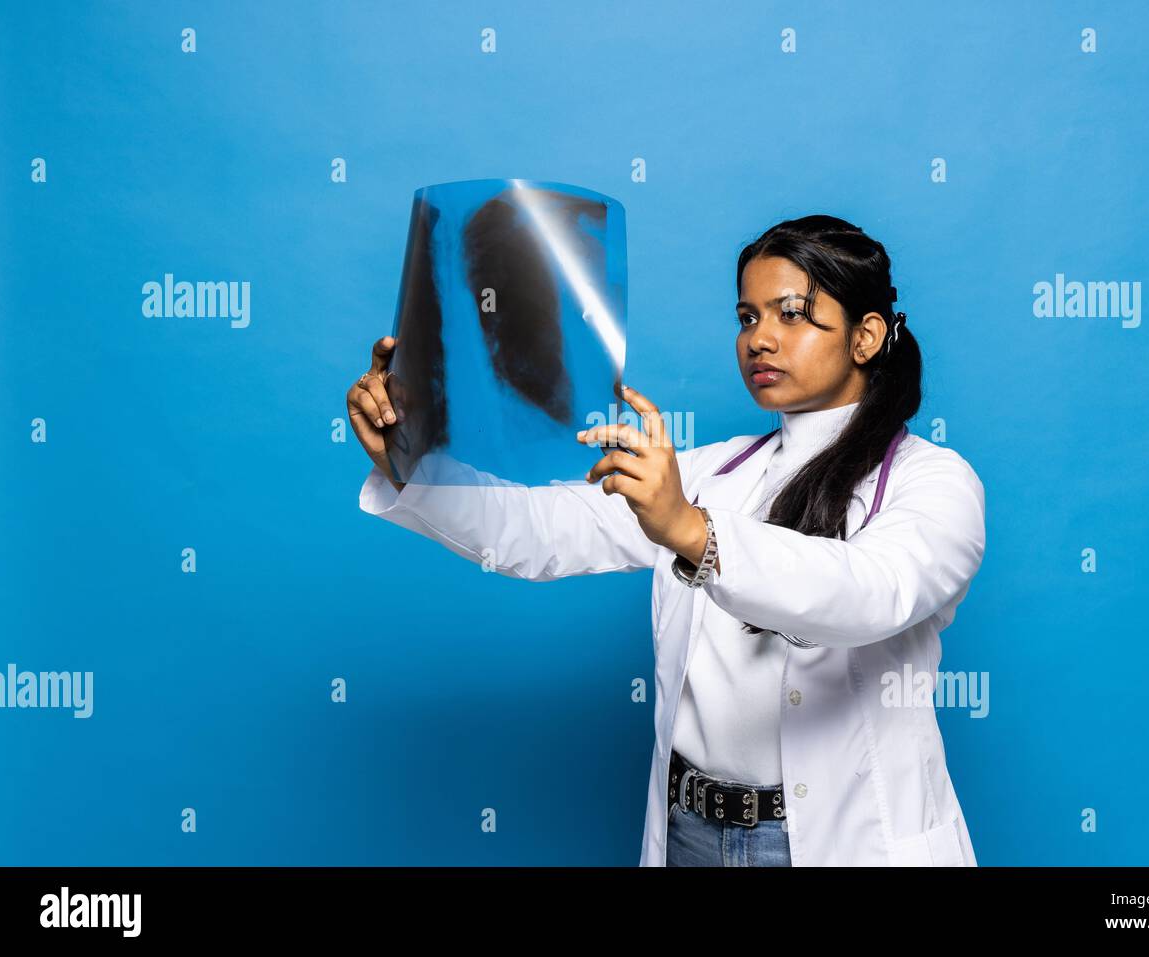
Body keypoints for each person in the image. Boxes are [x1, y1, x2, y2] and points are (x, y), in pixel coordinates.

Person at [348, 215, 986, 866]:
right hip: (691, 833)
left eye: (791, 314)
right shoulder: (713, 473)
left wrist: (690, 529)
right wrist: (410, 459)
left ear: (866, 335)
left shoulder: (934, 482)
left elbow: (870, 592)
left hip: (833, 843)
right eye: (747, 316)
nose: (760, 339)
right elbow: (543, 530)